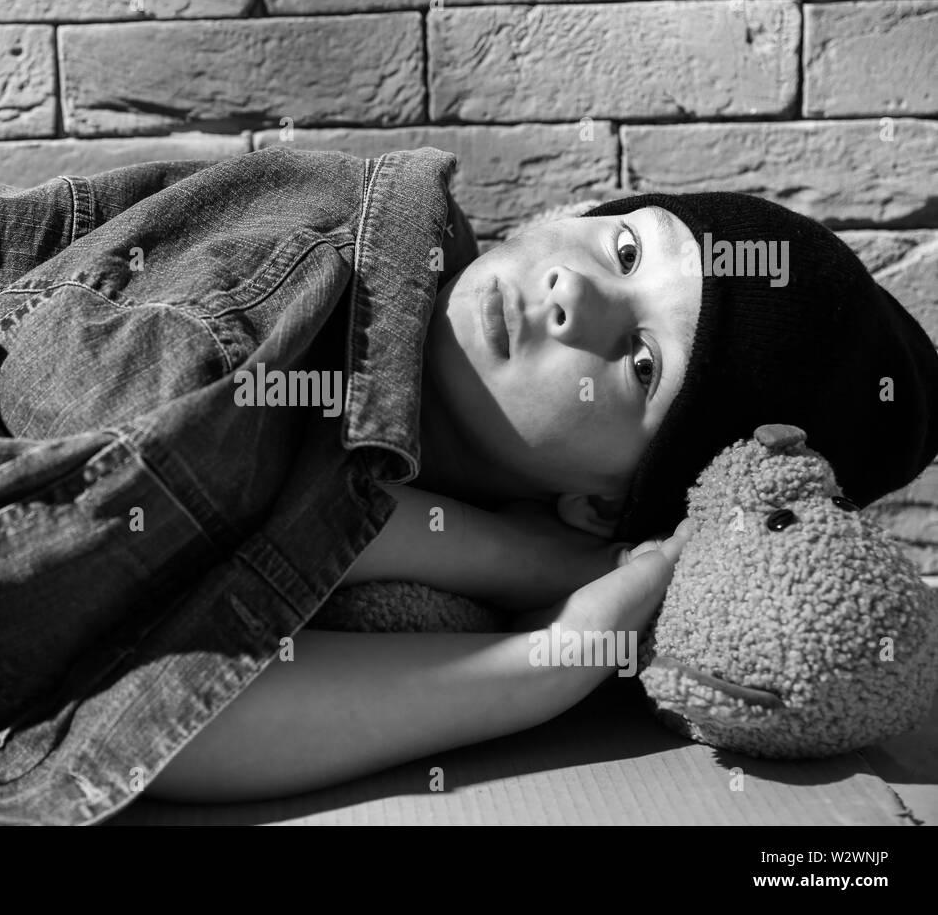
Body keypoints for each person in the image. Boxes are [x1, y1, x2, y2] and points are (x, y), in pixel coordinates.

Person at [146, 192, 938, 803]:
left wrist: (544, 664)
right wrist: (511, 559)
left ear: (599, 508)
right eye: (625, 249)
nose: (573, 291)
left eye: (641, 364)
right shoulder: (332, 246)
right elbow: (165, 495)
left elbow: (140, 717)